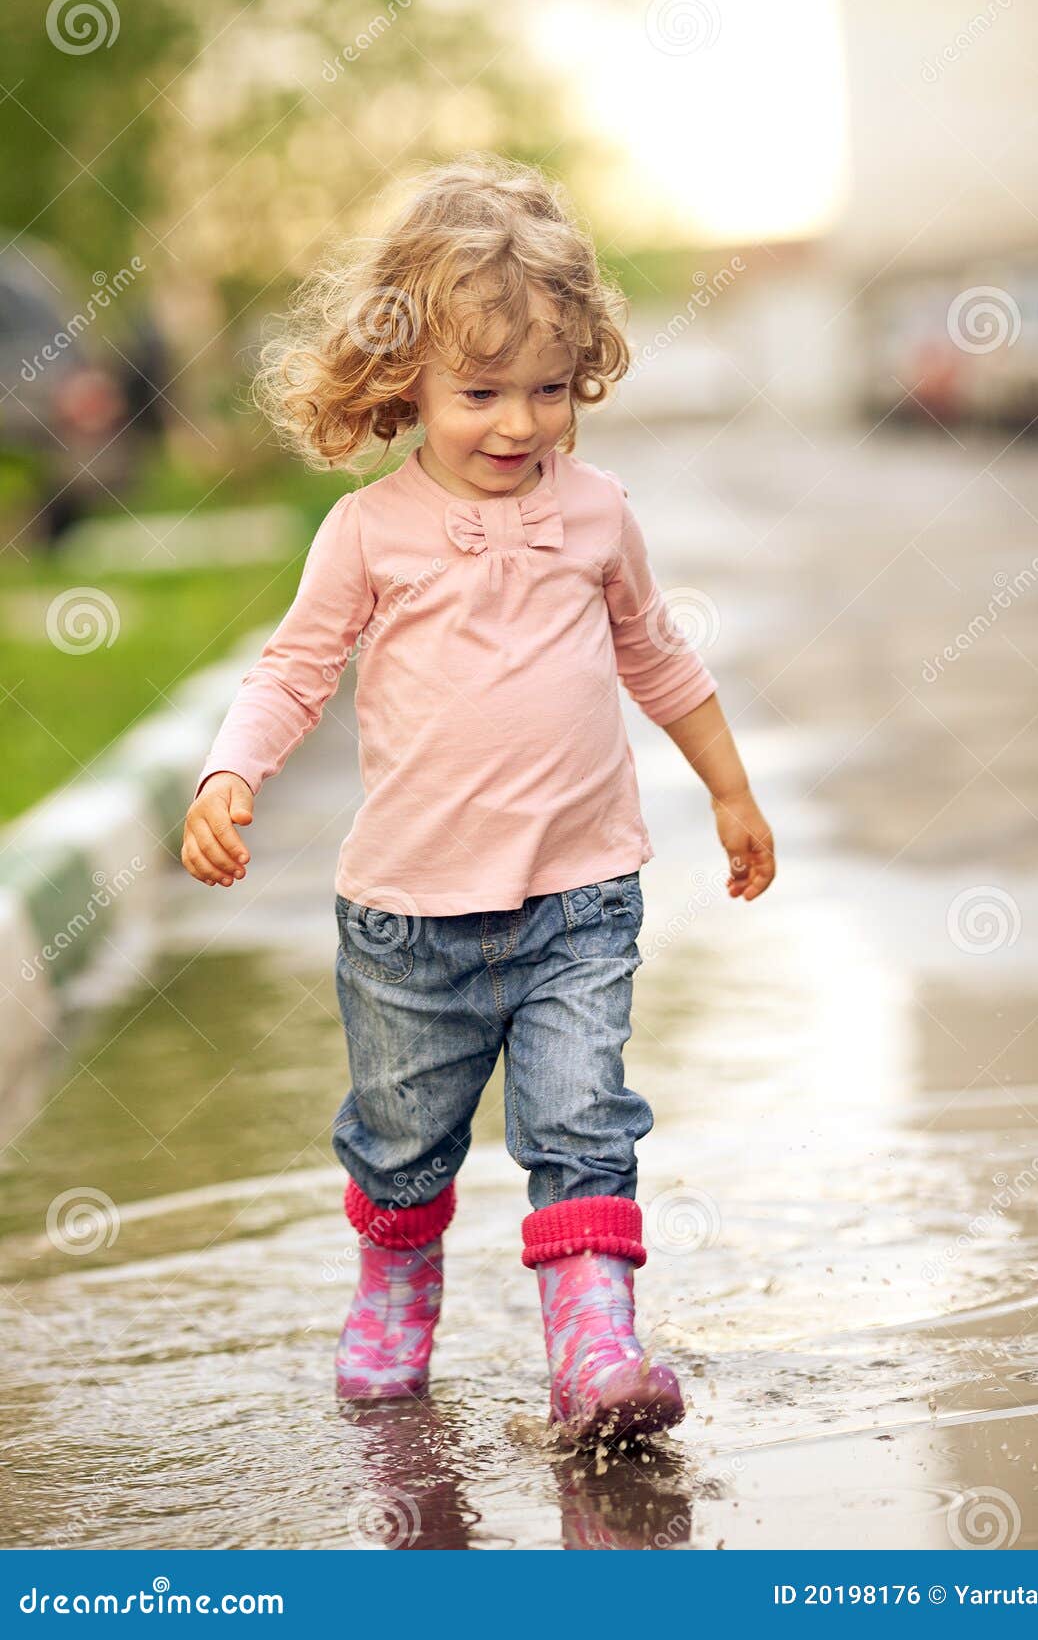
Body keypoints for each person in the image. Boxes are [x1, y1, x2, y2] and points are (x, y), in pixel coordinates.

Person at [181, 153, 775, 1444]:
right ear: (407, 381)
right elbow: (293, 670)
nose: (519, 423)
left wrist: (729, 789)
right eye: (483, 391)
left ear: (586, 378)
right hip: (409, 920)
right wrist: (231, 772)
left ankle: (597, 1344)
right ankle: (396, 1281)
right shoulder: (368, 535)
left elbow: (657, 655)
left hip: (579, 896)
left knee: (584, 1121)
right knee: (403, 1144)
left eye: (551, 390)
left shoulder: (599, 514)